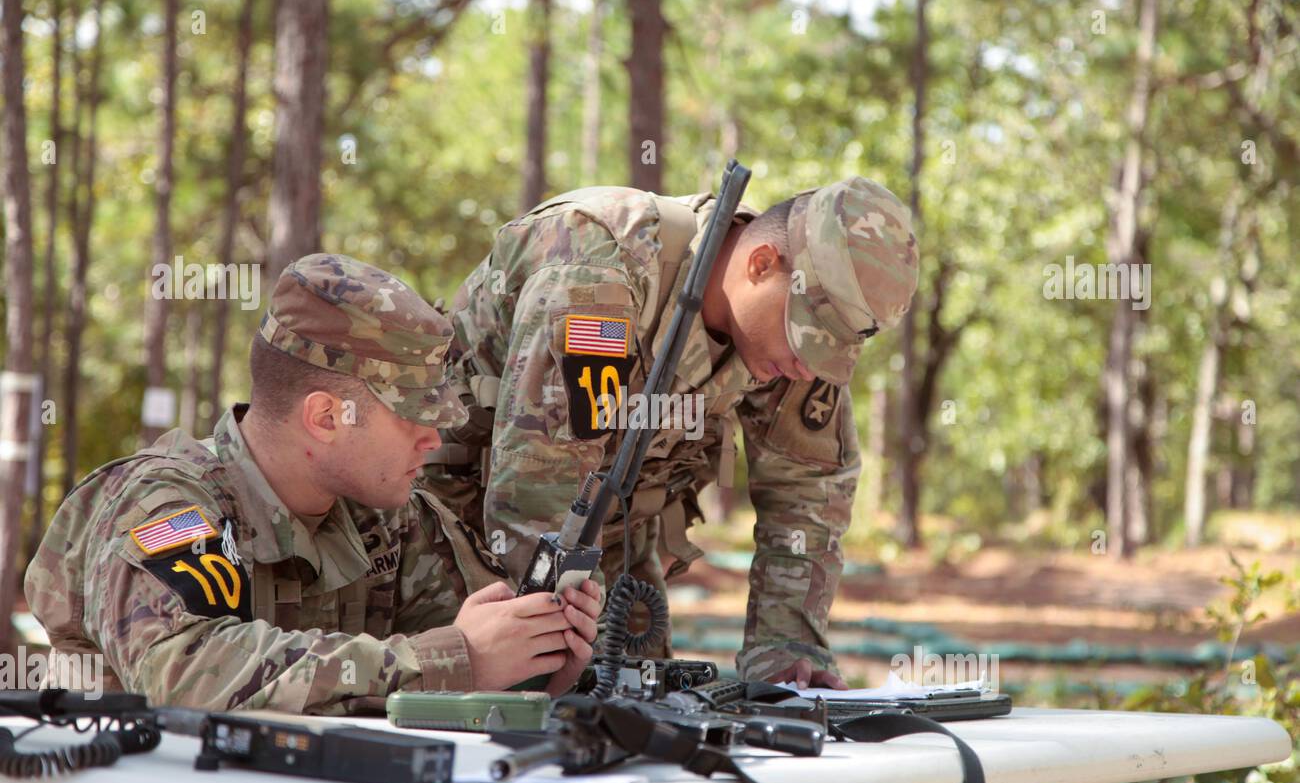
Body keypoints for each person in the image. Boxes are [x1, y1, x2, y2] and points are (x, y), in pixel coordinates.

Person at [24, 254, 602, 716]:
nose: (433, 439)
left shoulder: (388, 518)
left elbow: (465, 670)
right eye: (412, 417)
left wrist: (543, 657)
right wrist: (449, 658)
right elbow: (186, 673)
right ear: (326, 417)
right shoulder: (165, 504)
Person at [421, 177, 918, 688]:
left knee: (646, 719)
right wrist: (560, 669)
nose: (809, 367)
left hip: (612, 543)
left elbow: (808, 489)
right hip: (458, 540)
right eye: (809, 336)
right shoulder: (602, 269)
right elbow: (540, 488)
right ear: (762, 264)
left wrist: (784, 650)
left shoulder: (790, 338)